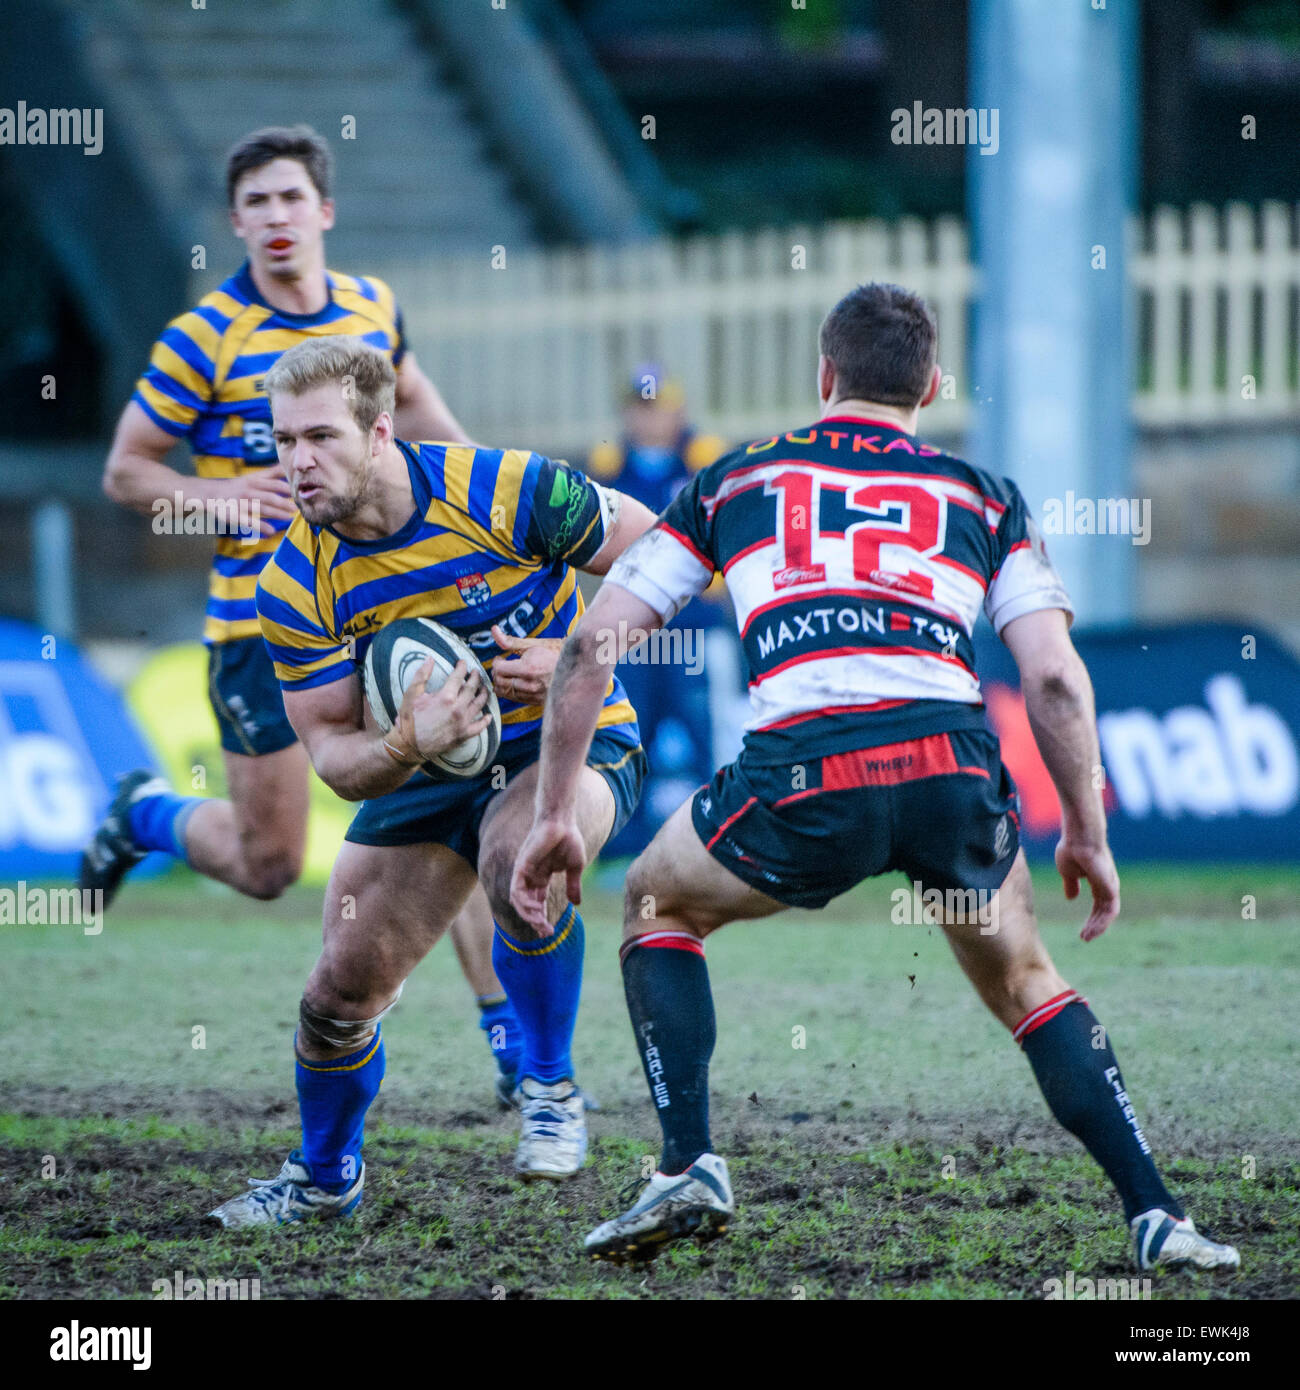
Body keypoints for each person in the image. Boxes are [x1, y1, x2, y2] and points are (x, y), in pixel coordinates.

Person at [511, 282, 1242, 1274]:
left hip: (806, 773)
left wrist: (557, 811)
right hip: (950, 768)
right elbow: (1057, 681)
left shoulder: (735, 480)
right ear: (931, 386)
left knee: (654, 900)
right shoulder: (983, 495)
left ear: (824, 377)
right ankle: (1156, 1212)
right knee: (1028, 982)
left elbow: (592, 647)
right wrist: (1086, 829)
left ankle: (687, 1163)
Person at [80, 125, 526, 1099]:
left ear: (324, 210)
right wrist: (227, 499)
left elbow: (430, 431)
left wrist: (493, 508)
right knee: (269, 862)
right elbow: (127, 470)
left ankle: (515, 1045)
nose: (275, 218)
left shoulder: (372, 308)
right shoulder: (206, 336)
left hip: (389, 606)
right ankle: (143, 812)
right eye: (255, 203)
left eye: (292, 198)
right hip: (264, 625)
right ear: (234, 222)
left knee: (449, 802)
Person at [208, 336, 654, 1226]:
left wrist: (578, 656)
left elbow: (668, 556)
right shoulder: (293, 580)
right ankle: (324, 1179)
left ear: (380, 432)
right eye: (284, 441)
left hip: (564, 743)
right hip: (425, 768)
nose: (298, 461)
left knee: (518, 859)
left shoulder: (506, 488)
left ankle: (550, 1089)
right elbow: (334, 755)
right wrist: (408, 743)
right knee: (336, 992)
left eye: (320, 438)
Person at [587, 367, 729, 854]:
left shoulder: (703, 462)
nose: (649, 419)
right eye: (640, 408)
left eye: (658, 407)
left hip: (692, 631)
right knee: (630, 731)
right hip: (632, 634)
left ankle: (720, 841)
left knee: (701, 731)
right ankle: (621, 846)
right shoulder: (608, 468)